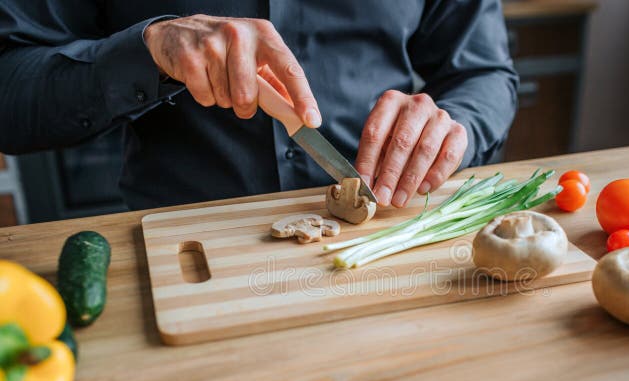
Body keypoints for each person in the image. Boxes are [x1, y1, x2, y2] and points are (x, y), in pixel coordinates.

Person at [0, 2, 517, 210]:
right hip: (186, 250)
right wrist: (146, 50)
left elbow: (483, 73)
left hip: (386, 234)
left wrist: (456, 127)